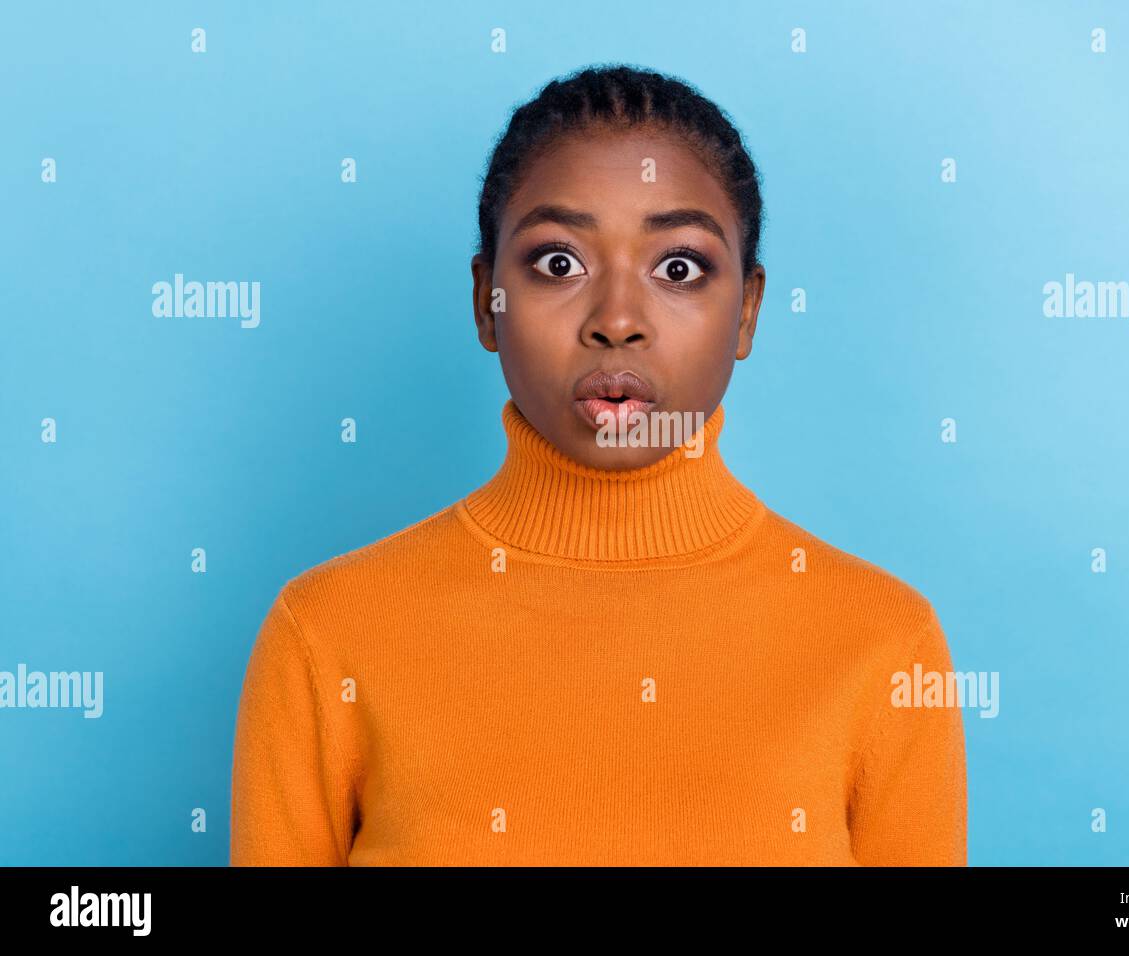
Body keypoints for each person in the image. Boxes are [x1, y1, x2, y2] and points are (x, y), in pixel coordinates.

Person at [230, 63, 966, 866]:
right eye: (558, 263)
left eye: (678, 267)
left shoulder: (885, 643)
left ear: (747, 311)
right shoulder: (325, 634)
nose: (617, 320)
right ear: (487, 301)